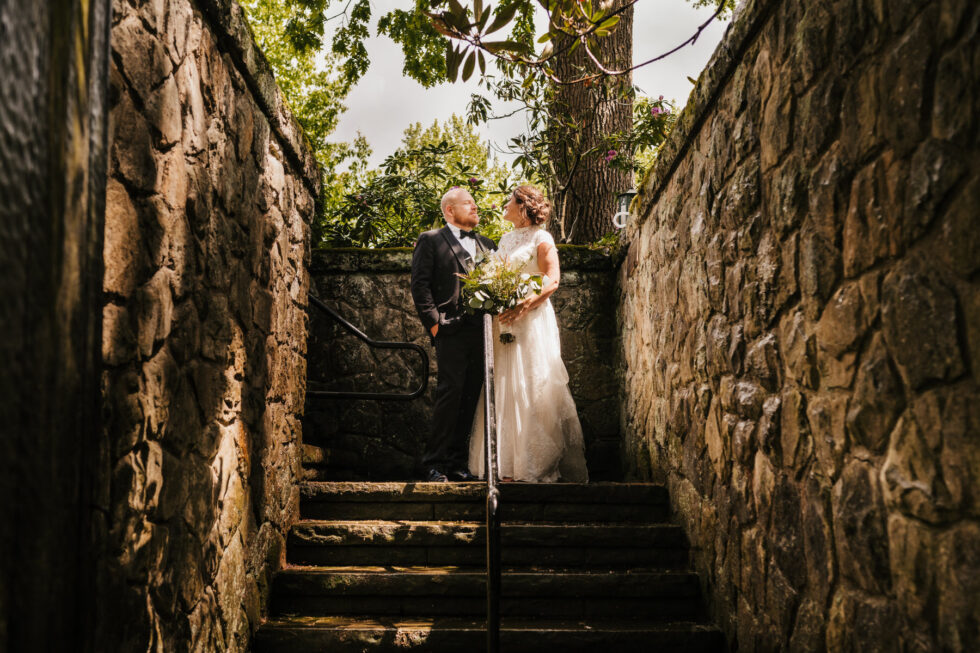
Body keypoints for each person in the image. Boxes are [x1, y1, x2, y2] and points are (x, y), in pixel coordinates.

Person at [468, 185, 588, 483]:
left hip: (531, 319)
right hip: (504, 320)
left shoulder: (541, 238)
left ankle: (532, 464)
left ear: (523, 206)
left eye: (509, 201)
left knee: (532, 383)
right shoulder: (505, 240)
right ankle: (505, 465)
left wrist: (526, 304)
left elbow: (552, 279)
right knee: (503, 384)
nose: (504, 206)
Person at [411, 187, 497, 482]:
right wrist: (435, 324)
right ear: (449, 210)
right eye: (468, 203)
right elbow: (420, 286)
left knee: (470, 397)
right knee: (450, 395)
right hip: (450, 330)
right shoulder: (431, 239)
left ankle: (457, 464)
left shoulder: (488, 245)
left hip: (482, 331)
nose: (475, 207)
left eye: (475, 203)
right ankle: (432, 464)